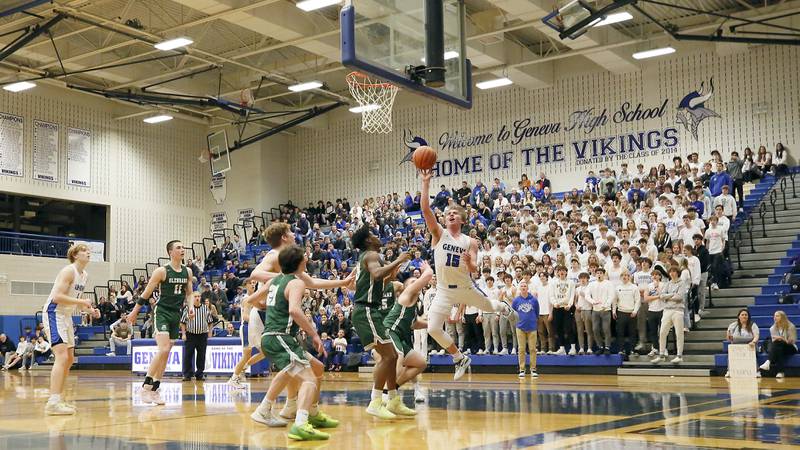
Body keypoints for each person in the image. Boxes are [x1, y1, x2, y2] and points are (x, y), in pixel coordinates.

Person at [247, 223, 350, 428]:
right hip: (277, 330)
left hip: (280, 326)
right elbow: (255, 275)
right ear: (284, 238)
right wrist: (285, 281)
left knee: (313, 368)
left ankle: (303, 409)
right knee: (301, 371)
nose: (294, 234)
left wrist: (342, 282)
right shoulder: (277, 258)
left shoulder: (291, 276)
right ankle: (282, 411)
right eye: (291, 232)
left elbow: (309, 281)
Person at [419, 168, 514, 380]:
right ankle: (459, 358)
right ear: (443, 219)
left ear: (462, 219)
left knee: (490, 307)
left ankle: (504, 306)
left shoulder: (470, 241)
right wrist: (425, 183)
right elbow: (425, 209)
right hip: (444, 290)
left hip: (465, 287)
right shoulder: (439, 234)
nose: (450, 214)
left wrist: (470, 262)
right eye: (447, 213)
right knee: (433, 328)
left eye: (454, 213)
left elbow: (474, 270)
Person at [257, 245, 331, 441]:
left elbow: (253, 301)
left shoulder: (275, 280)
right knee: (309, 379)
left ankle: (264, 409)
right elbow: (295, 311)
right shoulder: (296, 283)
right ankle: (301, 423)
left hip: (271, 336)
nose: (307, 260)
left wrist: (267, 308)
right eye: (305, 258)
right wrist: (314, 334)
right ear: (300, 263)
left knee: (315, 368)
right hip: (281, 336)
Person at [350, 225, 413, 419]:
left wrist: (392, 272)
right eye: (372, 234)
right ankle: (376, 401)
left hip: (370, 310)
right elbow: (377, 274)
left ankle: (393, 399)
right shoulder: (371, 255)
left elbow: (378, 279)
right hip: (366, 310)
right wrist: (398, 260)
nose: (377, 237)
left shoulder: (369, 257)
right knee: (388, 356)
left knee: (392, 356)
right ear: (368, 241)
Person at [127, 240, 194, 405]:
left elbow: (190, 293)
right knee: (163, 349)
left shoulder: (188, 271)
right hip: (162, 312)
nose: (182, 249)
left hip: (176, 314)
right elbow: (146, 292)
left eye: (183, 247)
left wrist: (190, 307)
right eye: (178, 247)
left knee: (167, 353)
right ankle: (145, 387)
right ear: (170, 252)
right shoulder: (162, 271)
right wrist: (135, 311)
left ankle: (156, 389)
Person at [41, 244, 99, 414]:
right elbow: (57, 297)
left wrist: (89, 310)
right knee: (61, 356)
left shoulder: (85, 275)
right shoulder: (68, 271)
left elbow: (76, 302)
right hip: (54, 312)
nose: (88, 252)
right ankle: (53, 402)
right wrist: (82, 303)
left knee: (70, 359)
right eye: (84, 250)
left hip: (65, 316)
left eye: (89, 250)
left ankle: (59, 398)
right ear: (75, 255)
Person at [380, 262, 434, 408]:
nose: (416, 283)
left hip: (401, 336)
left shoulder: (414, 304)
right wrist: (427, 268)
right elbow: (427, 276)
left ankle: (393, 389)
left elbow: (414, 324)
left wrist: (433, 324)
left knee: (420, 363)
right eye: (412, 282)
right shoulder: (407, 295)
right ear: (406, 288)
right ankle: (386, 394)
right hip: (389, 331)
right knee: (398, 356)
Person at [651, 267, 688, 364]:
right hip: (667, 310)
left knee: (679, 333)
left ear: (677, 273)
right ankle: (661, 354)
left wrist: (668, 296)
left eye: (674, 271)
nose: (672, 273)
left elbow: (679, 297)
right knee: (662, 332)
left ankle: (679, 355)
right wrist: (672, 295)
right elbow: (662, 296)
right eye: (670, 272)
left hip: (678, 310)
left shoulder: (682, 283)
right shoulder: (667, 283)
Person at [226, 279, 256, 389]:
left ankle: (243, 368)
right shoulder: (246, 298)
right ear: (245, 286)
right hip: (247, 327)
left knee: (265, 351)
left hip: (255, 328)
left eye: (254, 283)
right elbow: (245, 317)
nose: (253, 284)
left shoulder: (256, 297)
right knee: (246, 355)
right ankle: (234, 378)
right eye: (250, 283)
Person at [180, 291, 214, 381]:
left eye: (199, 296)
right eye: (195, 296)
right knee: (188, 355)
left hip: (202, 335)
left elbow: (210, 322)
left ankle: (199, 374)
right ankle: (187, 374)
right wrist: (183, 334)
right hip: (190, 335)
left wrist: (210, 332)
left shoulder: (205, 308)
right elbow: (182, 322)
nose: (197, 298)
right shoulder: (187, 308)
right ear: (192, 298)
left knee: (201, 355)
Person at [512, 280, 539, 378]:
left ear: (527, 288)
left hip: (532, 327)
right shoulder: (516, 300)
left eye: (525, 286)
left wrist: (533, 321)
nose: (523, 287)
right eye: (522, 286)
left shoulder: (534, 300)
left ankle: (533, 369)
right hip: (520, 327)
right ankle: (522, 369)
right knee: (521, 349)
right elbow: (513, 313)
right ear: (520, 288)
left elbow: (537, 313)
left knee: (532, 349)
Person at [759, 310, 797, 379]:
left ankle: (768, 361)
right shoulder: (772, 328)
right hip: (779, 347)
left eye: (777, 316)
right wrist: (779, 339)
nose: (775, 317)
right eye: (774, 316)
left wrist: (782, 338)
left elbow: (792, 341)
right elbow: (774, 341)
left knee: (779, 344)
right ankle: (780, 372)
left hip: (790, 347)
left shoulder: (791, 326)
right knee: (779, 347)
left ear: (782, 317)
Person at [725, 309, 760, 378]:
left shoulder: (753, 325)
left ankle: (757, 371)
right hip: (736, 345)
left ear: (748, 317)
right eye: (742, 315)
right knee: (731, 351)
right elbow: (729, 339)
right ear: (739, 316)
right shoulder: (733, 325)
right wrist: (728, 336)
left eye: (746, 315)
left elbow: (756, 336)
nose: (744, 316)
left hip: (750, 344)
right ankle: (729, 370)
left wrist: (753, 342)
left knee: (752, 350)